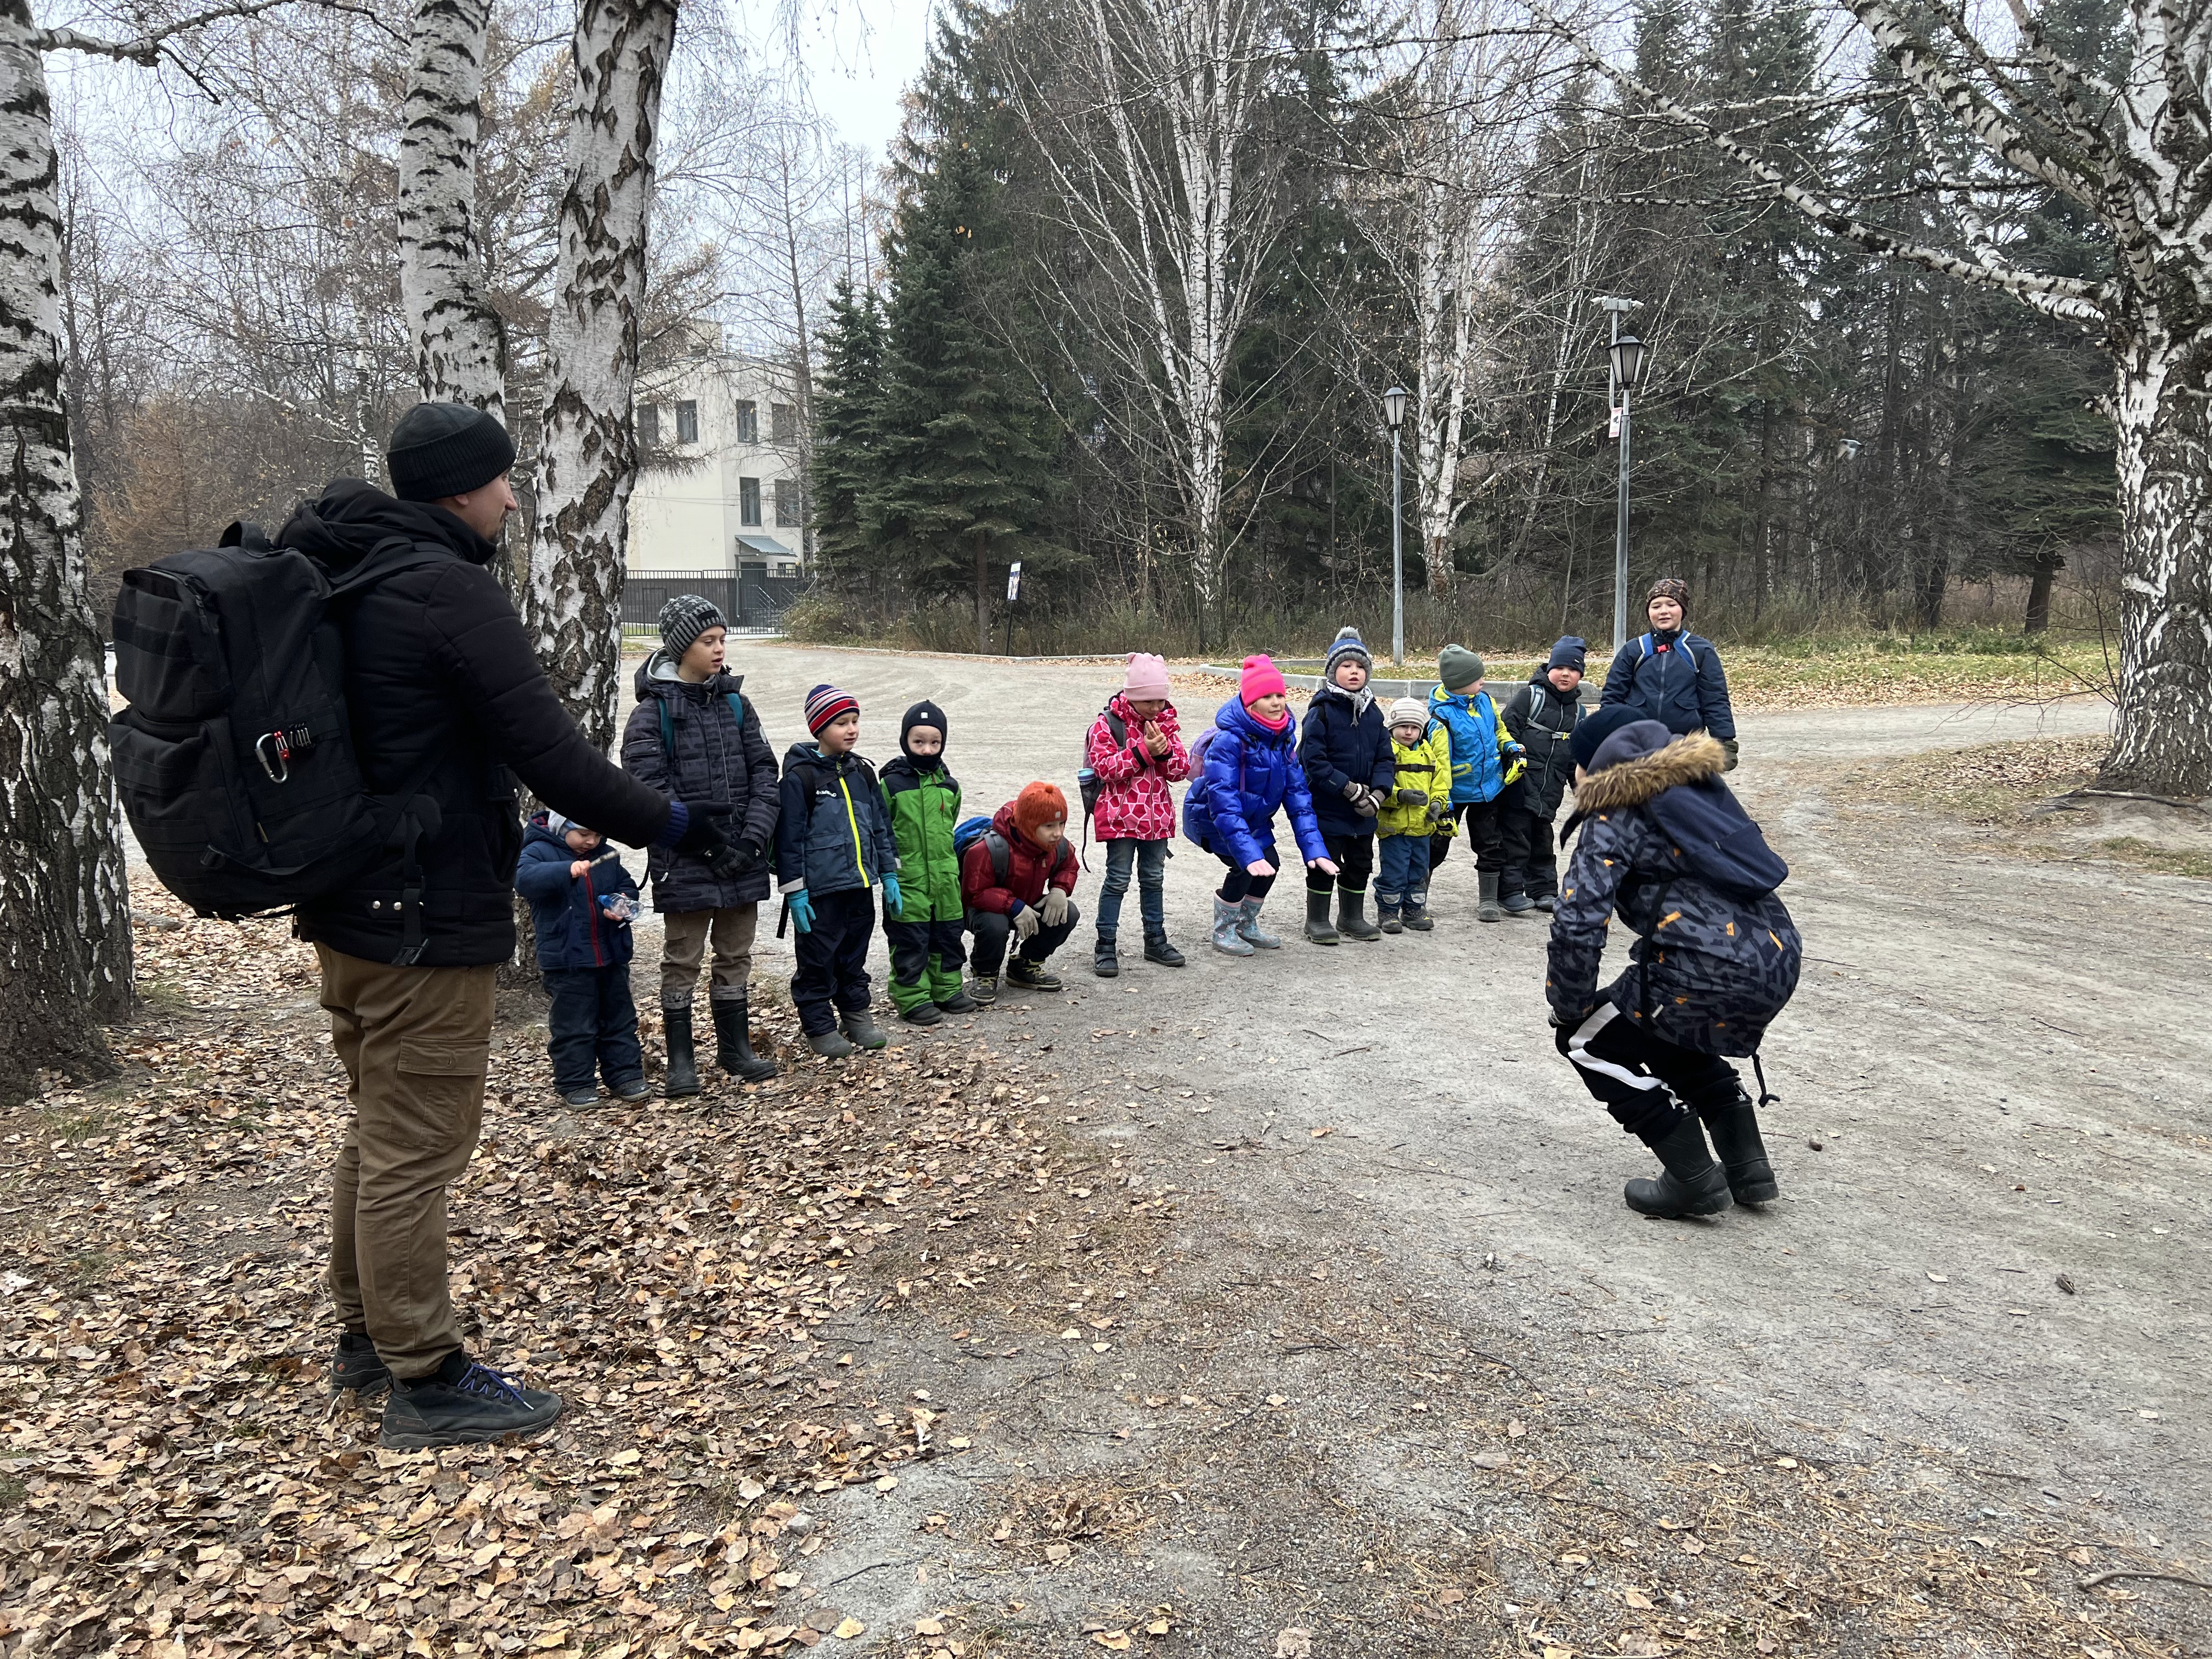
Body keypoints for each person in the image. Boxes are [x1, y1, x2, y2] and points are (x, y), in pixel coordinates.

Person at [281, 401, 732, 1448]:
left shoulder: (350, 574)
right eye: (502, 481)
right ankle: (426, 1372)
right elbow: (555, 757)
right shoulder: (445, 590)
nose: (514, 496)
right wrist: (673, 821)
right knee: (418, 1142)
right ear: (459, 489)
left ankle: (365, 1335)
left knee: (379, 1126)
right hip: (423, 913)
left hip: (351, 905)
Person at [1547, 706, 1801, 1218]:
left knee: (1585, 1037)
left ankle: (1693, 1179)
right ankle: (1748, 1169)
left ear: (1591, 765)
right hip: (1778, 955)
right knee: (1661, 1028)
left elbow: (1578, 921)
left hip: (1707, 966)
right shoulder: (1697, 792)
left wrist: (1568, 1004)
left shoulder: (1614, 810)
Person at [620, 595, 781, 1093]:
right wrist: (709, 846)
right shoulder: (651, 716)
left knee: (736, 954)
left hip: (744, 862)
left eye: (722, 639)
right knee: (682, 958)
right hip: (685, 864)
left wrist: (753, 841)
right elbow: (650, 792)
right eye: (708, 641)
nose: (719, 649)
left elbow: (764, 774)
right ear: (681, 646)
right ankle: (681, 1061)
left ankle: (735, 1049)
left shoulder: (736, 704)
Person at [776, 684, 901, 1057]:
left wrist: (890, 875)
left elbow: (880, 825)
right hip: (820, 893)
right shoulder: (801, 779)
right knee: (818, 959)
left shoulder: (863, 772)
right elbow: (789, 838)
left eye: (855, 721)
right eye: (841, 723)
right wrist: (796, 892)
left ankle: (856, 1014)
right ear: (819, 728)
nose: (851, 729)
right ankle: (818, 1025)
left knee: (853, 953)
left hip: (860, 885)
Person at [1183, 654, 1337, 956]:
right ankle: (1223, 929)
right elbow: (1224, 803)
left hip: (1253, 820)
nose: (1277, 701)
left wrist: (1315, 849)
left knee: (1271, 866)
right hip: (1214, 819)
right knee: (1245, 866)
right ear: (1250, 703)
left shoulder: (1283, 740)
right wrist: (1247, 851)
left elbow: (1299, 799)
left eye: (1280, 694)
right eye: (1267, 696)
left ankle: (1244, 923)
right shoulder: (1229, 741)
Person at [514, 813, 647, 1109]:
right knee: (574, 1025)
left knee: (619, 1019)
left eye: (598, 835)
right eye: (585, 834)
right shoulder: (538, 850)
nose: (592, 841)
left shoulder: (606, 855)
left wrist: (621, 902)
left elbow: (626, 884)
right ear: (563, 828)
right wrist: (566, 870)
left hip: (611, 953)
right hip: (567, 958)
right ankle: (576, 1083)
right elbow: (524, 880)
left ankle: (625, 1075)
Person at [1084, 652, 1191, 977]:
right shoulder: (1108, 724)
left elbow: (1181, 770)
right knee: (1117, 880)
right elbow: (1104, 767)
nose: (1157, 708)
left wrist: (1165, 753)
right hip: (1119, 819)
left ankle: (1155, 940)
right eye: (1149, 701)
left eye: (1161, 700)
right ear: (1132, 695)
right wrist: (1145, 752)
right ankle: (1105, 944)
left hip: (1156, 819)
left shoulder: (1167, 723)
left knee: (1154, 880)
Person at [880, 701, 977, 1025]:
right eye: (918, 742)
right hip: (908, 879)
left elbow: (950, 823)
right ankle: (913, 997)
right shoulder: (891, 784)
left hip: (945, 877)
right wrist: (890, 871)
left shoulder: (949, 786)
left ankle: (947, 990)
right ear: (905, 741)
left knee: (947, 935)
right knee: (910, 939)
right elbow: (881, 830)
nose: (926, 749)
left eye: (934, 742)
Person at [1298, 627, 1394, 945]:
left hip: (1366, 810)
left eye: (1360, 667)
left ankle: (1352, 917)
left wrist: (1379, 794)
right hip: (1329, 805)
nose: (1354, 672)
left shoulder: (1374, 713)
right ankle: (1317, 919)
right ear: (1332, 671)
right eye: (1346, 666)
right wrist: (1348, 789)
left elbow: (1385, 758)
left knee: (1361, 862)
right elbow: (1313, 761)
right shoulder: (1321, 711)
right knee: (1326, 863)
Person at [1425, 645, 1526, 922]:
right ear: (1460, 683)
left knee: (1491, 842)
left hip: (1488, 789)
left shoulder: (1485, 701)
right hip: (1455, 792)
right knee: (1437, 842)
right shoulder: (1441, 718)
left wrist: (1511, 748)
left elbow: (1499, 731)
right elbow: (1441, 763)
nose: (1483, 681)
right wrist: (1443, 801)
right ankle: (1416, 894)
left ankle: (1489, 900)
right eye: (1477, 677)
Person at [1599, 577, 1738, 769]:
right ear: (1649, 612)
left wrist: (1724, 741)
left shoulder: (1700, 650)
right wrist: (1606, 733)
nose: (1663, 611)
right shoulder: (1634, 649)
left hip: (1685, 745)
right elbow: (1613, 696)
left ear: (1682, 609)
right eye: (1656, 606)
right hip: (1637, 744)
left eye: (1671, 604)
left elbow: (1715, 699)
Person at [962, 782, 1082, 999]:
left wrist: (1059, 890)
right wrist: (1013, 906)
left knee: (1068, 912)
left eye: (1061, 824)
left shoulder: (1057, 845)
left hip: (1027, 906)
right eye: (1049, 826)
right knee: (994, 924)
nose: (1057, 833)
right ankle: (985, 973)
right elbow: (974, 893)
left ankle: (1025, 967)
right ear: (1028, 823)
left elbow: (1069, 866)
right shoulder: (987, 849)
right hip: (984, 910)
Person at [1500, 636, 1587, 916]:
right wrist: (1512, 760)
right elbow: (1505, 730)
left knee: (1542, 840)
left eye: (1573, 670)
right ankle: (1510, 891)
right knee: (1515, 839)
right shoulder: (1530, 697)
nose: (1566, 674)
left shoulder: (1579, 712)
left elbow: (1577, 755)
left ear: (1580, 675)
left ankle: (1544, 890)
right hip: (1520, 784)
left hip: (1550, 790)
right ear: (1549, 668)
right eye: (1560, 667)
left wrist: (1579, 787)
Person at [1376, 697, 1451, 933]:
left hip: (1423, 828)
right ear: (1392, 728)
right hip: (1395, 828)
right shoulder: (1386, 753)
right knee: (1394, 872)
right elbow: (1379, 787)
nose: (1408, 732)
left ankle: (1414, 909)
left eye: (1415, 728)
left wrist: (1437, 804)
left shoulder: (1429, 755)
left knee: (1419, 871)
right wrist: (1401, 796)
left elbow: (1440, 784)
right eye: (1403, 727)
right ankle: (1388, 911)